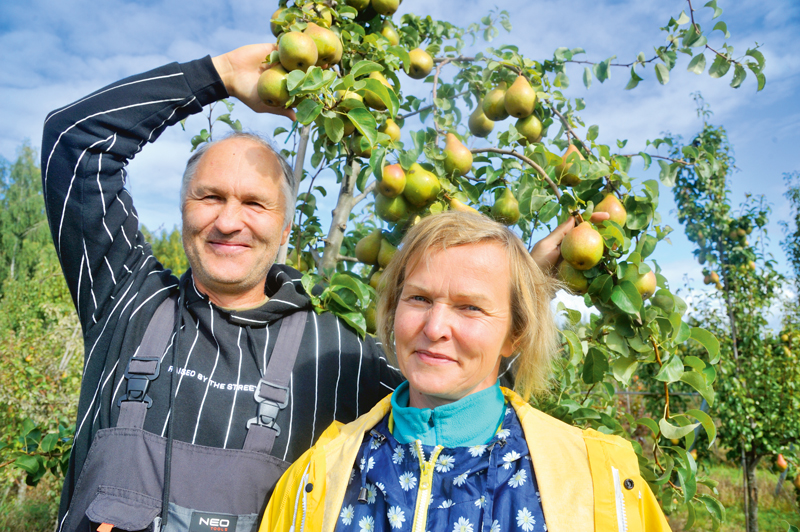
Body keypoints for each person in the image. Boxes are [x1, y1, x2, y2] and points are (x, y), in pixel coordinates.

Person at [42, 43, 406, 532]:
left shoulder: (336, 353)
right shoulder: (128, 300)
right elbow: (74, 140)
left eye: (255, 203)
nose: (229, 221)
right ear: (184, 210)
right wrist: (221, 74)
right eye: (210, 196)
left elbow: (463, 386)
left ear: (286, 228)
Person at [260, 211, 671, 532]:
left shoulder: (598, 484)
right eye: (419, 299)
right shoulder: (316, 478)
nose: (435, 328)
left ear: (515, 335)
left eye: (470, 307)